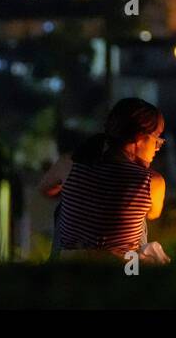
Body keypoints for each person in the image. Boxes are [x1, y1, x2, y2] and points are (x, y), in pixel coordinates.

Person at [52, 98, 169, 261]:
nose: (157, 147)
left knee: (63, 205)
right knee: (140, 217)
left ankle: (55, 268)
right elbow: (154, 214)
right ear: (139, 137)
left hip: (71, 263)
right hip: (125, 268)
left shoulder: (72, 165)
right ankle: (133, 277)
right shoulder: (151, 180)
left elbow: (47, 188)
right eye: (157, 139)